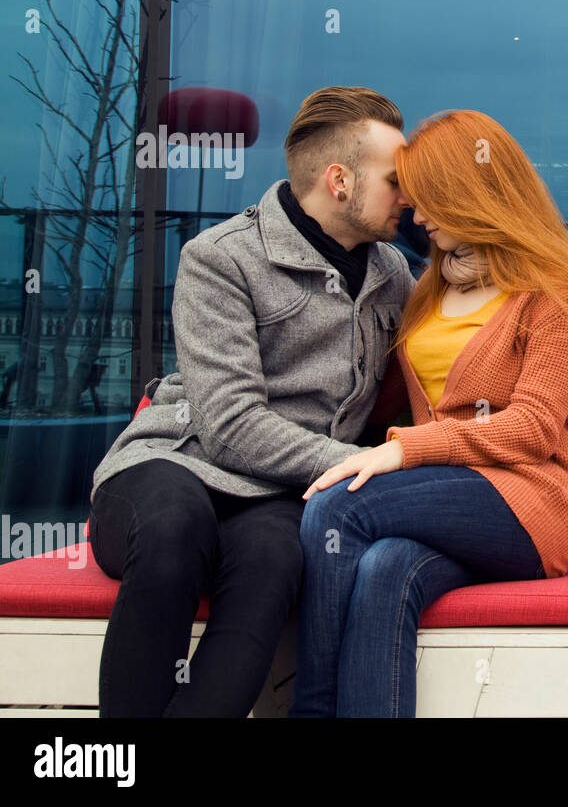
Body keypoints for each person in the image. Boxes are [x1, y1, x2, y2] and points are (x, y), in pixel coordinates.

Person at [87, 86, 417, 716]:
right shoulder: (221, 257)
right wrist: (356, 461)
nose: (408, 197)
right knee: (174, 528)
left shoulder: (392, 274)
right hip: (175, 463)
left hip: (276, 497)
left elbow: (465, 330)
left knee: (275, 558)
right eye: (395, 180)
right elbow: (230, 425)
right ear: (339, 180)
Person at [290, 109, 568, 718]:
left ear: (472, 192)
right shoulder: (428, 287)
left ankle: (308, 711)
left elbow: (535, 429)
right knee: (385, 568)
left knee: (342, 506)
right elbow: (381, 399)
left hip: (529, 501)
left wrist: (405, 449)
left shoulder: (559, 292)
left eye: (429, 199)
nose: (416, 216)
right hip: (449, 500)